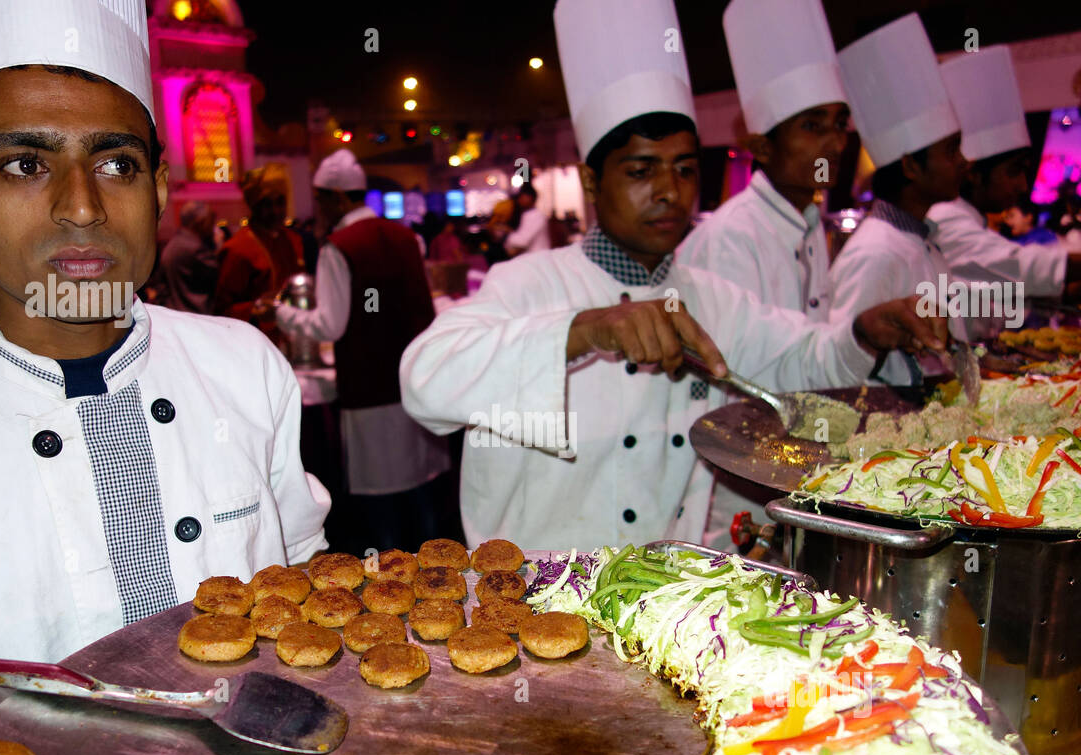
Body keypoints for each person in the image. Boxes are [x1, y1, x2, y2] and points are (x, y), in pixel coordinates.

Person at [0, 0, 330, 755]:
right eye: (22, 165)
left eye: (116, 163)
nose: (81, 207)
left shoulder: (242, 364)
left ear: (158, 187)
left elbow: (304, 577)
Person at [399, 0, 944, 552]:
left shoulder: (712, 297)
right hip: (529, 600)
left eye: (684, 169)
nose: (668, 191)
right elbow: (422, 380)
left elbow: (804, 359)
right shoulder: (527, 283)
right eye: (641, 171)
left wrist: (865, 332)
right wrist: (583, 330)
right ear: (591, 181)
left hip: (662, 601)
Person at [676, 0, 857, 549]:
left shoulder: (809, 223)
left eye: (838, 125)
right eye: (811, 126)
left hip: (806, 471)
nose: (832, 143)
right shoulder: (728, 237)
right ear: (761, 145)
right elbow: (728, 379)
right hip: (743, 496)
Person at [272, 149, 454, 554]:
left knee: (382, 508)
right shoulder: (405, 236)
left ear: (336, 198)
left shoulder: (340, 246)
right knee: (426, 504)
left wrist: (282, 313)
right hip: (417, 386)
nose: (318, 209)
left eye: (320, 200)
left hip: (370, 391)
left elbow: (330, 324)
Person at [930, 47, 1081, 300]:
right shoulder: (946, 219)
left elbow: (1014, 292)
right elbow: (1024, 268)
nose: (1023, 186)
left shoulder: (973, 223)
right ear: (973, 174)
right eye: (1014, 171)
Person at [827, 13, 971, 384]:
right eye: (951, 150)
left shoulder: (921, 242)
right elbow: (842, 367)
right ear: (911, 166)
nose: (962, 161)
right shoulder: (874, 252)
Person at [212, 162, 304, 333]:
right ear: (254, 206)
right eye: (267, 204)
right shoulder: (237, 249)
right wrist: (256, 308)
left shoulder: (293, 240)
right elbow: (221, 311)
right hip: (256, 338)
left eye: (280, 202)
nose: (275, 211)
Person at [160, 200, 219, 313]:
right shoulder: (196, 248)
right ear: (200, 221)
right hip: (193, 311)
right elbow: (220, 278)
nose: (213, 227)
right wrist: (218, 246)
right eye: (211, 222)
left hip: (174, 310)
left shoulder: (175, 242)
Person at [502, 182, 550, 256]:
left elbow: (521, 242)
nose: (519, 200)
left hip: (537, 260)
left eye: (521, 197)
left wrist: (508, 237)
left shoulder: (537, 216)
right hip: (529, 260)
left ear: (530, 197)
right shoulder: (525, 215)